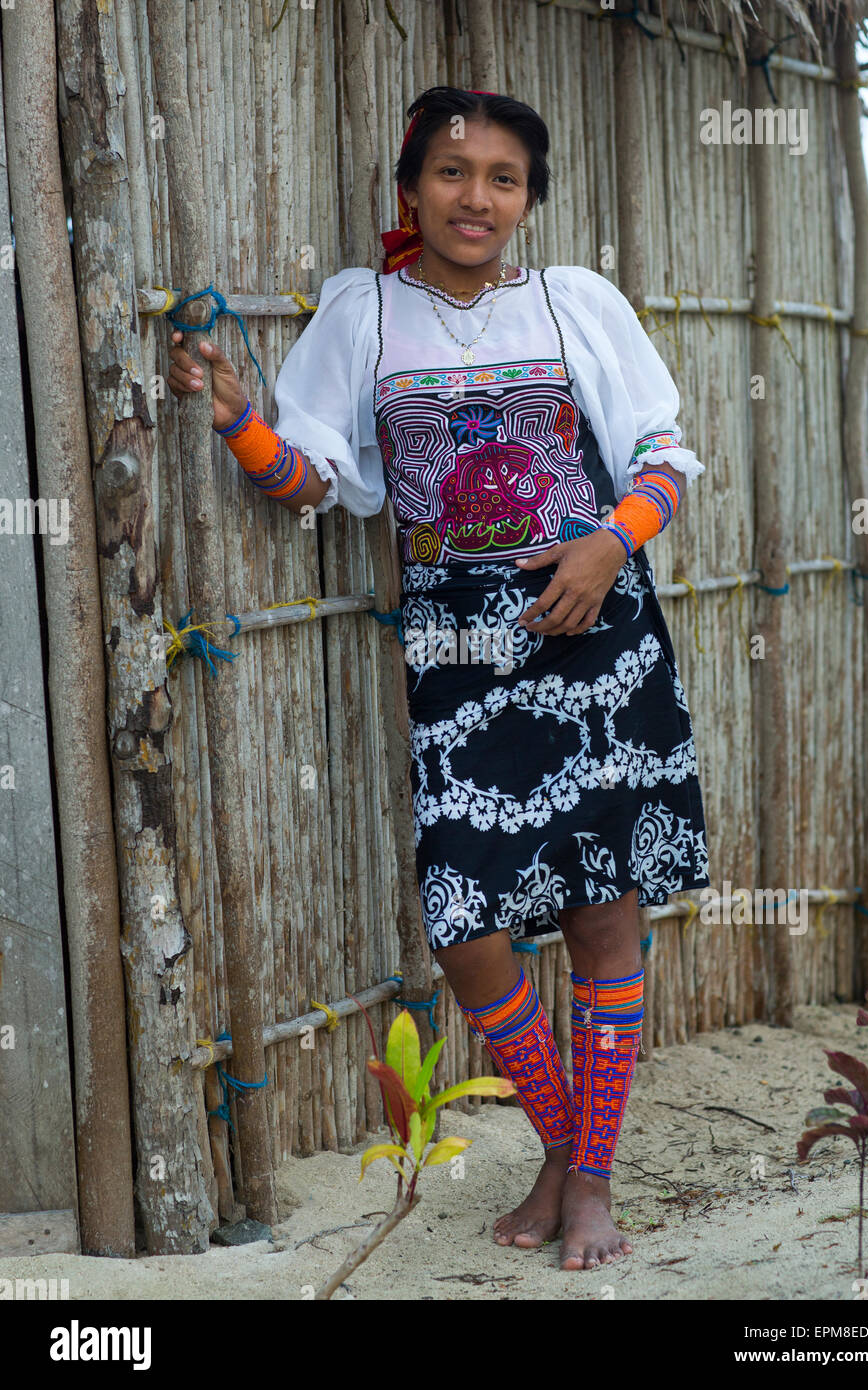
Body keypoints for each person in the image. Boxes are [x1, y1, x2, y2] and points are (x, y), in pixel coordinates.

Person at [167, 85, 710, 1271]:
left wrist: (608, 539)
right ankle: (566, 1148)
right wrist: (238, 422)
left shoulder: (574, 305)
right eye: (454, 174)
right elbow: (317, 480)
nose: (478, 198)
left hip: (595, 628)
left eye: (504, 178)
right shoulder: (364, 315)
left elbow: (663, 450)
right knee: (465, 921)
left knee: (602, 913)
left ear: (530, 198)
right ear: (410, 187)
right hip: (458, 643)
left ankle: (589, 1183)